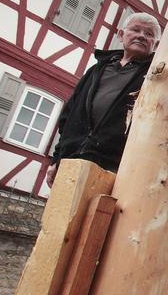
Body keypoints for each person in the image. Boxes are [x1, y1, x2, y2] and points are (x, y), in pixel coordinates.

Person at [46, 12, 160, 186]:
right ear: (121, 35)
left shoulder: (155, 77)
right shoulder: (96, 70)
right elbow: (68, 117)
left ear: (156, 44)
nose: (141, 36)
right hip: (70, 161)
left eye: (149, 34)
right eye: (136, 30)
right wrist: (57, 159)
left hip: (113, 169)